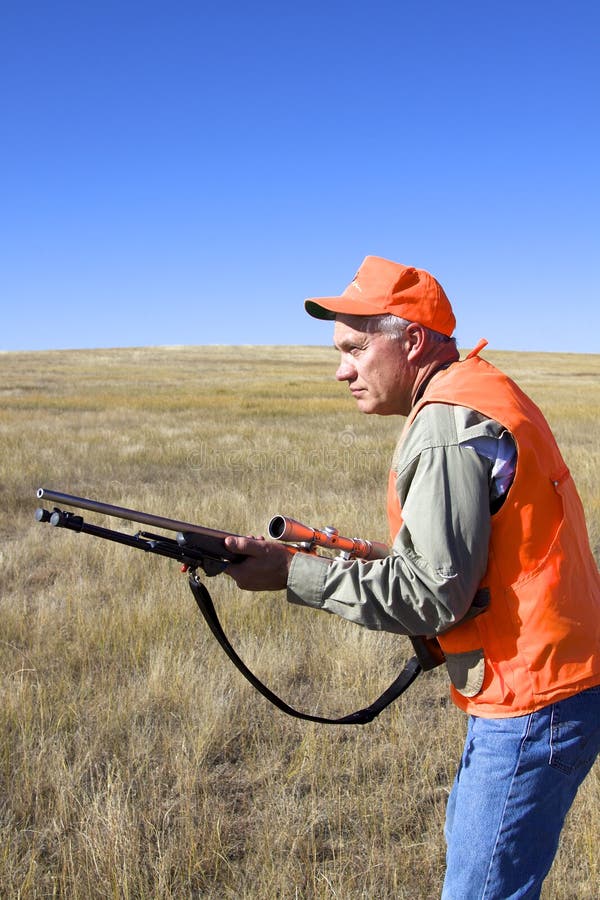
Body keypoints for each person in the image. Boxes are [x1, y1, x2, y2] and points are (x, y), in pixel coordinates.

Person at [223, 255, 600, 899]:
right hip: (554, 681)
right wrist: (355, 557)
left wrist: (293, 574)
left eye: (355, 348)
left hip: (531, 700)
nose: (341, 369)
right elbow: (470, 561)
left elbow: (431, 595)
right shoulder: (478, 388)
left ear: (412, 339)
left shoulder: (446, 426)